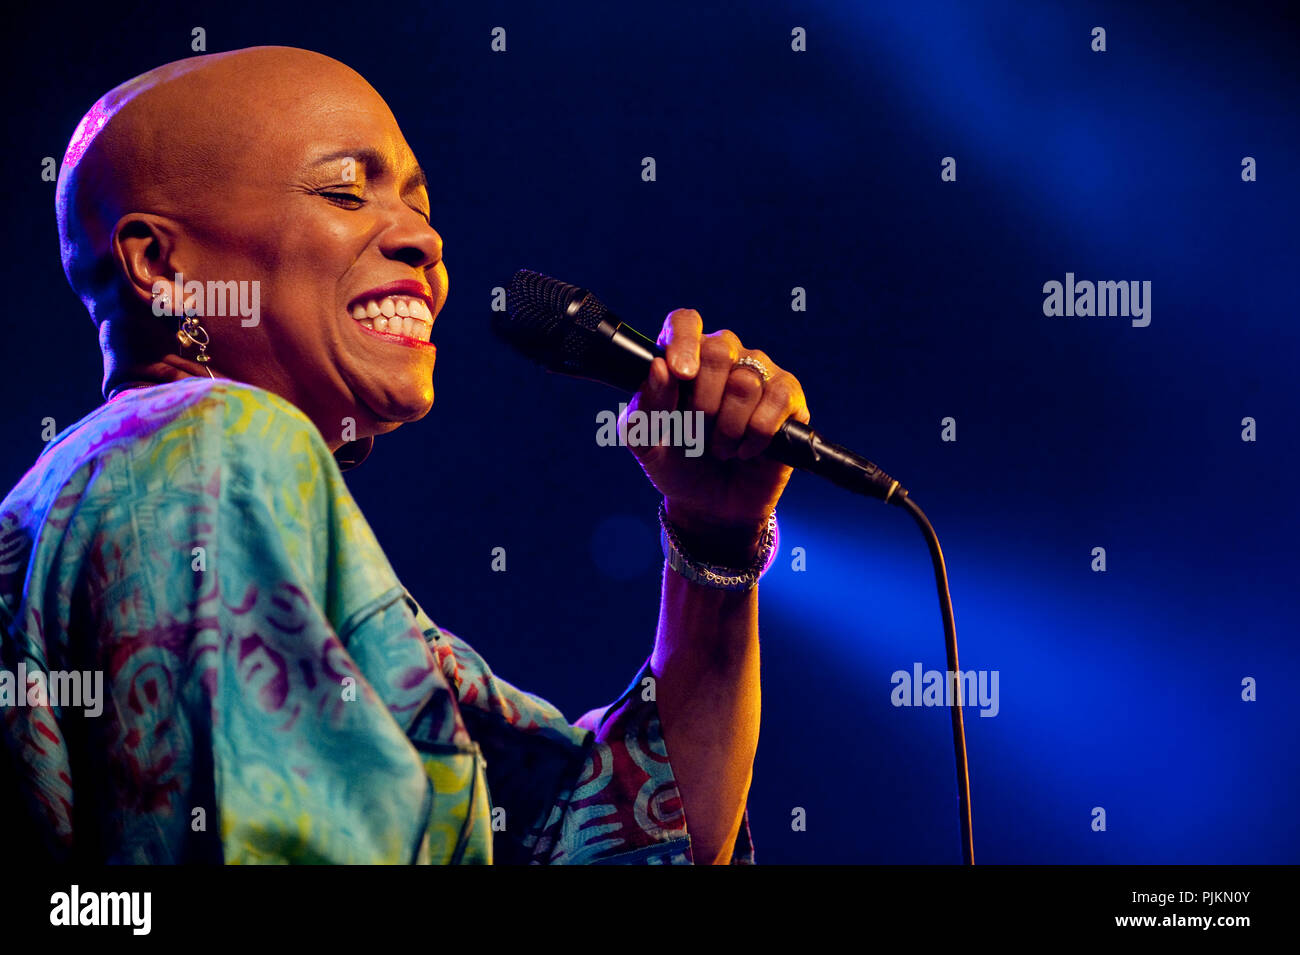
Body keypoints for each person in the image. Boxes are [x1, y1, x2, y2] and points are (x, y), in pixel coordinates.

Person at [0, 46, 810, 864]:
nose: (424, 239)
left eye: (420, 205)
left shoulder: (157, 480)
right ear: (160, 265)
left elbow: (625, 833)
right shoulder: (204, 447)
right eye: (345, 190)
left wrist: (713, 536)